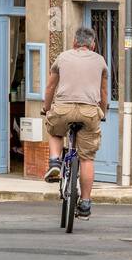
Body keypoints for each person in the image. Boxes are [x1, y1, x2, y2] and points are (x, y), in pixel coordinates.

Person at [40, 25, 108, 220]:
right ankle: (85, 204)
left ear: (74, 43)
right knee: (87, 158)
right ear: (93, 45)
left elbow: (50, 86)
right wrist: (102, 112)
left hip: (63, 108)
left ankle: (54, 162)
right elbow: (103, 93)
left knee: (54, 130)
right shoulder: (101, 62)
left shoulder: (62, 57)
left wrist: (46, 108)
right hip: (89, 112)